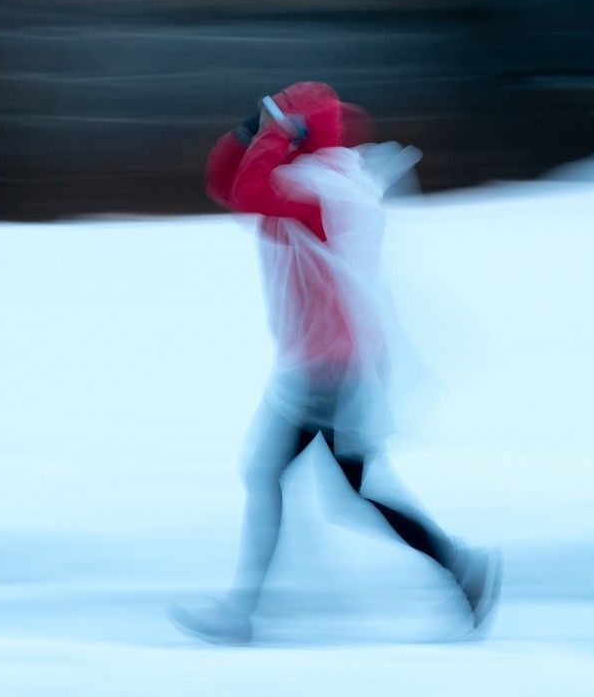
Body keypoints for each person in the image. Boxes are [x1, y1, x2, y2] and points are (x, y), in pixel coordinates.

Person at [167, 82, 501, 645]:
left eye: (281, 121)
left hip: (329, 368)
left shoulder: (325, 192)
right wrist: (249, 132)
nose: (269, 129)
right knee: (352, 490)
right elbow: (224, 183)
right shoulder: (299, 180)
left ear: (303, 132)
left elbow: (250, 192)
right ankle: (459, 568)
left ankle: (242, 613)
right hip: (325, 364)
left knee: (271, 473)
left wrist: (273, 136)